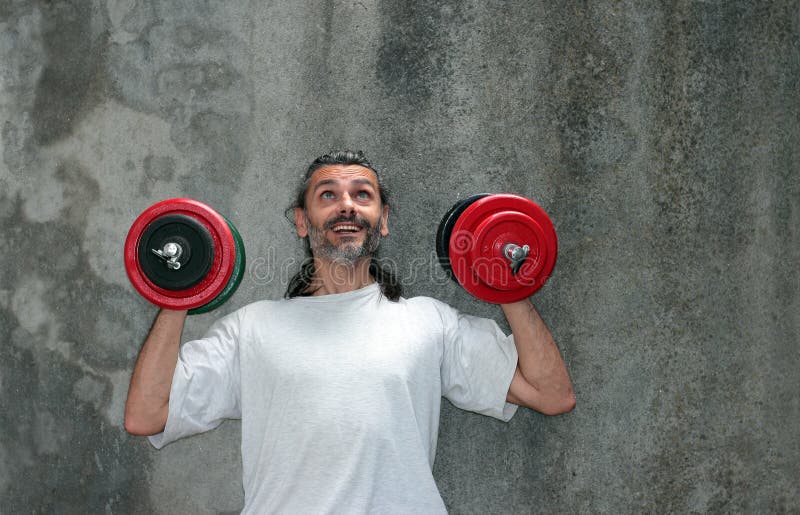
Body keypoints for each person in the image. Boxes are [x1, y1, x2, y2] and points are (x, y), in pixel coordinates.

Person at [124, 150, 575, 513]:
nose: (346, 205)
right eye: (328, 195)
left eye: (362, 195)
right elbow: (147, 415)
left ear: (382, 220)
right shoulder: (252, 328)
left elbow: (551, 394)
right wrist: (177, 293)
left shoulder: (428, 322)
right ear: (302, 221)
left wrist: (506, 282)